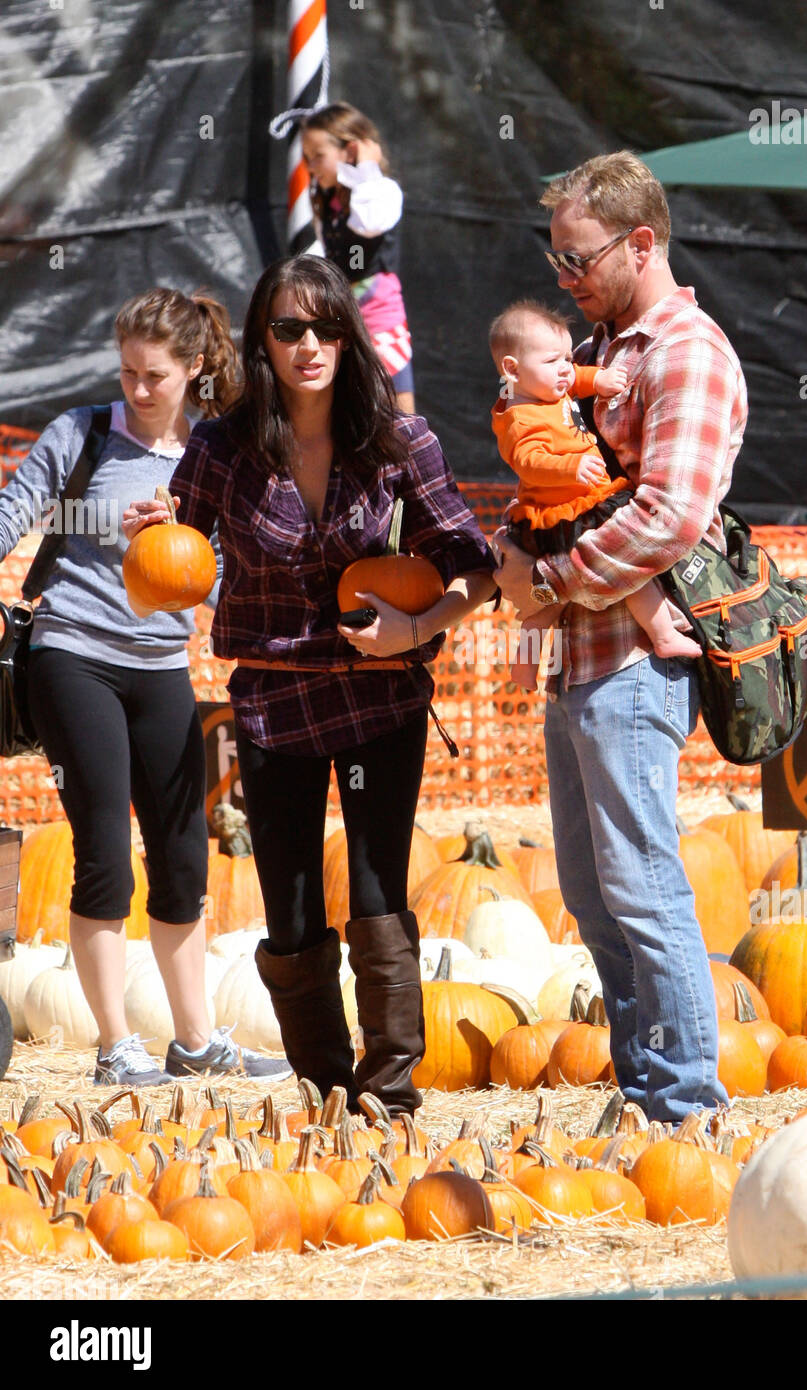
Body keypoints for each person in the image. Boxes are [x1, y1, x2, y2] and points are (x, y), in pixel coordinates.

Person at [126, 256, 496, 1117]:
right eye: (289, 328)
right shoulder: (221, 445)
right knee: (289, 912)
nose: (309, 345)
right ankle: (327, 1094)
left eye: (327, 326)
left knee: (376, 892)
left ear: (349, 336)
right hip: (272, 698)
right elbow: (166, 576)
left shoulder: (401, 440)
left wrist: (415, 629)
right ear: (262, 338)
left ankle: (391, 1092)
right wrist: (143, 545)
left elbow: (473, 567)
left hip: (380, 695)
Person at [492, 151, 749, 1124]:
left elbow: (670, 516)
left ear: (640, 242)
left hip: (635, 664)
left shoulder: (685, 351)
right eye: (552, 258)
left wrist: (549, 580)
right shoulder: (605, 353)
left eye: (577, 258)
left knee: (641, 886)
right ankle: (646, 1094)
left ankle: (687, 1109)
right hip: (581, 657)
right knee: (591, 892)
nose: (562, 278)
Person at [0, 288, 291, 1086]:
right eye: (126, 370)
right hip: (72, 654)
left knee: (182, 857)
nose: (135, 388)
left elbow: (220, 578)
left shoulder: (211, 456)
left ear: (194, 368)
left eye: (154, 375)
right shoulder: (82, 433)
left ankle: (196, 1039)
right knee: (102, 852)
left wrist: (179, 541)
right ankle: (112, 1046)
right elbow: (15, 511)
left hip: (162, 665)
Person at [489, 298, 702, 689]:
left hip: (573, 506)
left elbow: (576, 379)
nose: (565, 369)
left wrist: (598, 381)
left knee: (547, 602)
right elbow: (528, 461)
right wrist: (570, 467)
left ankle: (524, 665)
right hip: (563, 514)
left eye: (568, 357)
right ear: (512, 370)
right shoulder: (519, 418)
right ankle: (663, 634)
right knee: (634, 578)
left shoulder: (550, 386)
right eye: (553, 361)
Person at [301, 103, 415, 413]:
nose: (311, 166)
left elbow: (370, 222)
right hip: (345, 321)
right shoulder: (328, 205)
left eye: (318, 156)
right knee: (350, 409)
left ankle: (411, 460)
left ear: (350, 149)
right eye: (307, 158)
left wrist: (365, 168)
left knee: (396, 411)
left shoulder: (381, 191)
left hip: (381, 323)